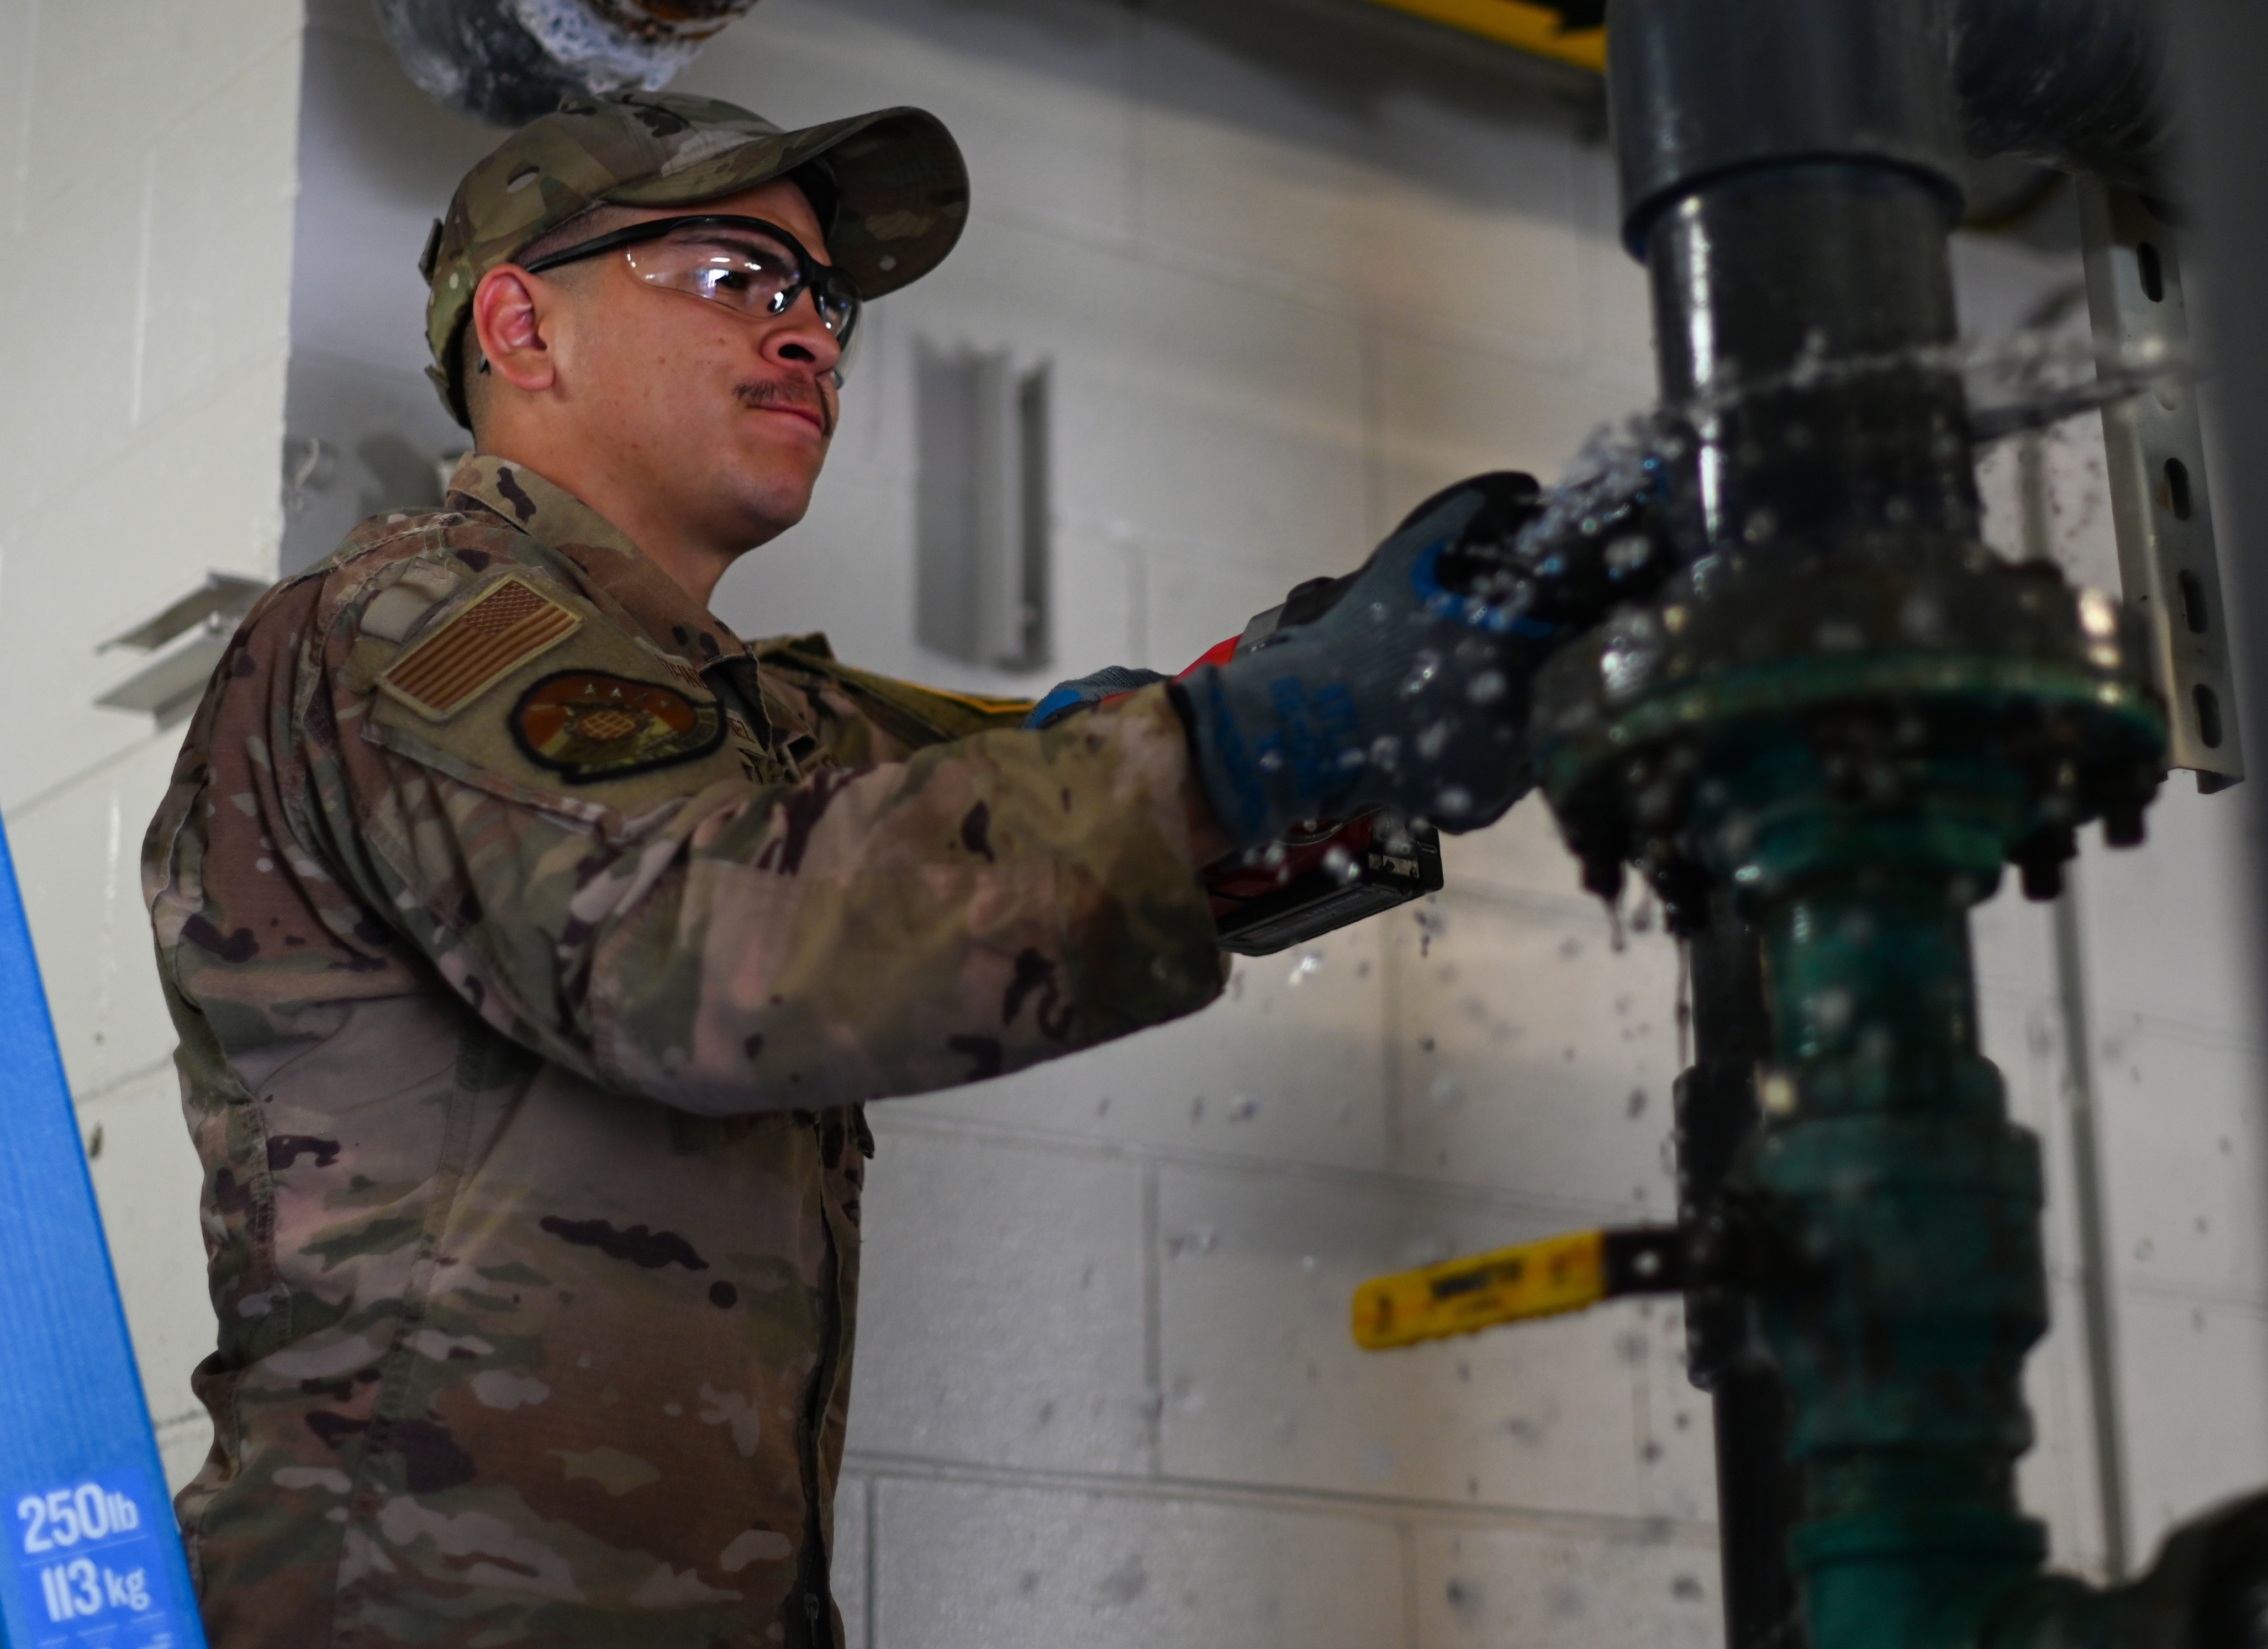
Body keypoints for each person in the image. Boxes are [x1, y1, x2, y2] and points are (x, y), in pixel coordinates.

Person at [143, 88, 1555, 1648]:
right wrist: (1264, 735)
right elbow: (707, 941)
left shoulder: (744, 720)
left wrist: (1394, 683)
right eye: (735, 274)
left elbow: (1019, 787)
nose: (811, 334)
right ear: (523, 328)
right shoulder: (406, 623)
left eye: (824, 299)